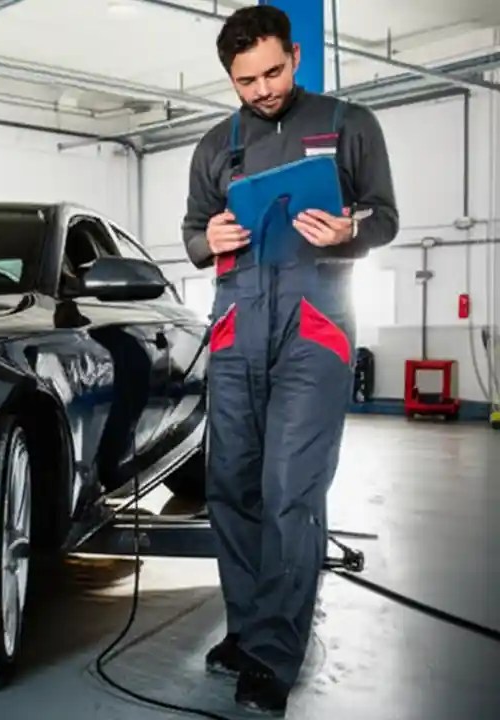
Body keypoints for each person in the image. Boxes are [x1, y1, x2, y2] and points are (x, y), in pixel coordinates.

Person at [181, 5, 398, 715]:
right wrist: (206, 236)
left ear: (295, 56)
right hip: (237, 323)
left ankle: (275, 654)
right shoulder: (218, 144)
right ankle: (246, 631)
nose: (263, 88)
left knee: (289, 493)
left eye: (273, 71)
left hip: (315, 328)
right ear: (231, 79)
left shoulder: (349, 123)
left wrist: (350, 229)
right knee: (232, 487)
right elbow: (191, 231)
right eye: (247, 80)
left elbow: (384, 214)